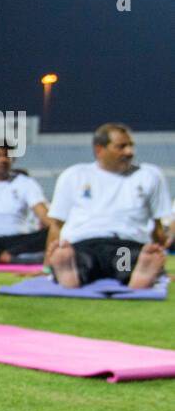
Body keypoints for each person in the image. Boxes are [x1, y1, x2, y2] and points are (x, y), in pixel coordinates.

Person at [44, 122, 170, 289]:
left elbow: (157, 226)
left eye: (131, 146)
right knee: (80, 261)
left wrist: (158, 255)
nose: (129, 152)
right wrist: (47, 265)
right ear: (99, 149)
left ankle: (140, 274)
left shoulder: (148, 175)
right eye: (121, 146)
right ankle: (68, 272)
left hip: (125, 245)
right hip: (84, 243)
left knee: (127, 263)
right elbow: (57, 224)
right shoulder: (74, 175)